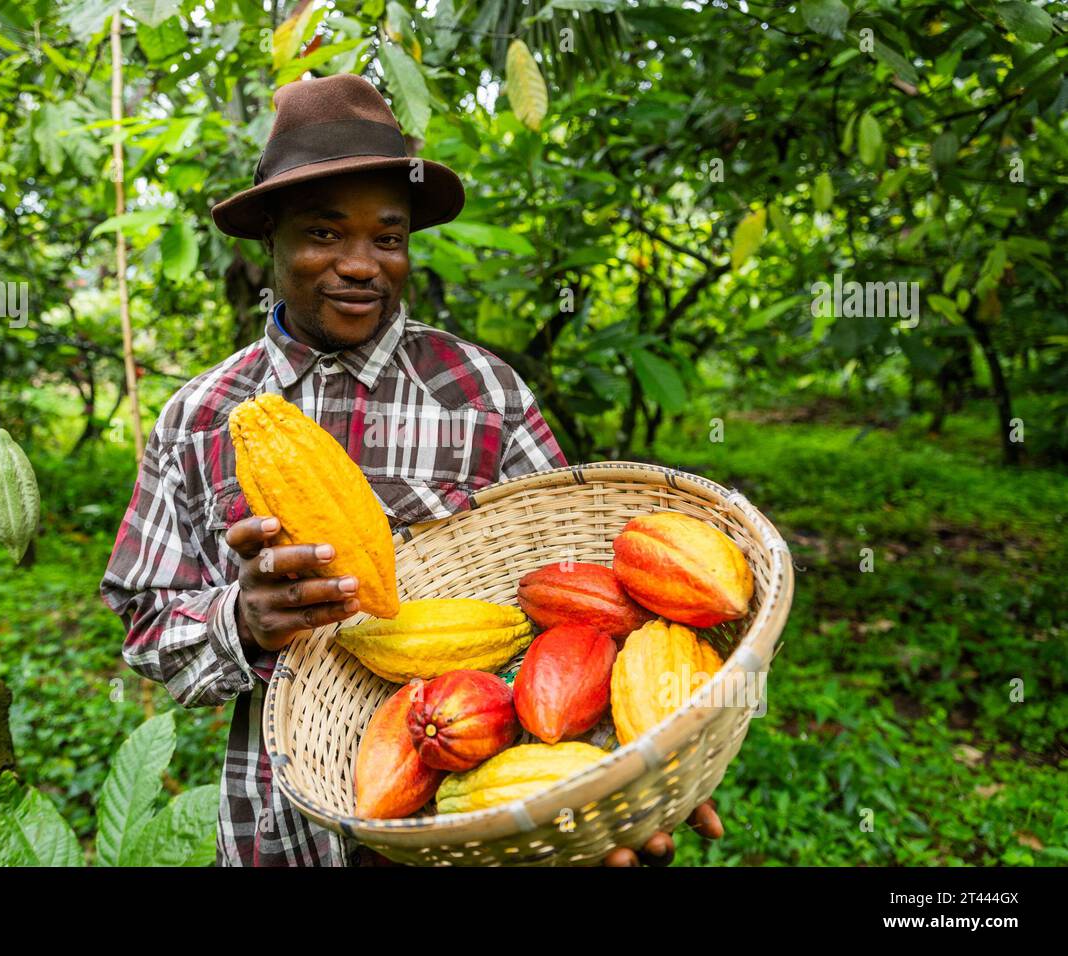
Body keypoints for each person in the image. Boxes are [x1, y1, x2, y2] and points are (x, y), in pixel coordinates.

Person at [101, 73, 721, 866]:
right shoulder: (198, 419)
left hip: (479, 815)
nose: (361, 264)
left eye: (386, 239)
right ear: (271, 240)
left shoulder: (483, 395)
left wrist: (637, 762)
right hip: (282, 829)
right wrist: (243, 620)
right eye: (325, 234)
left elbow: (585, 609)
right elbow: (148, 629)